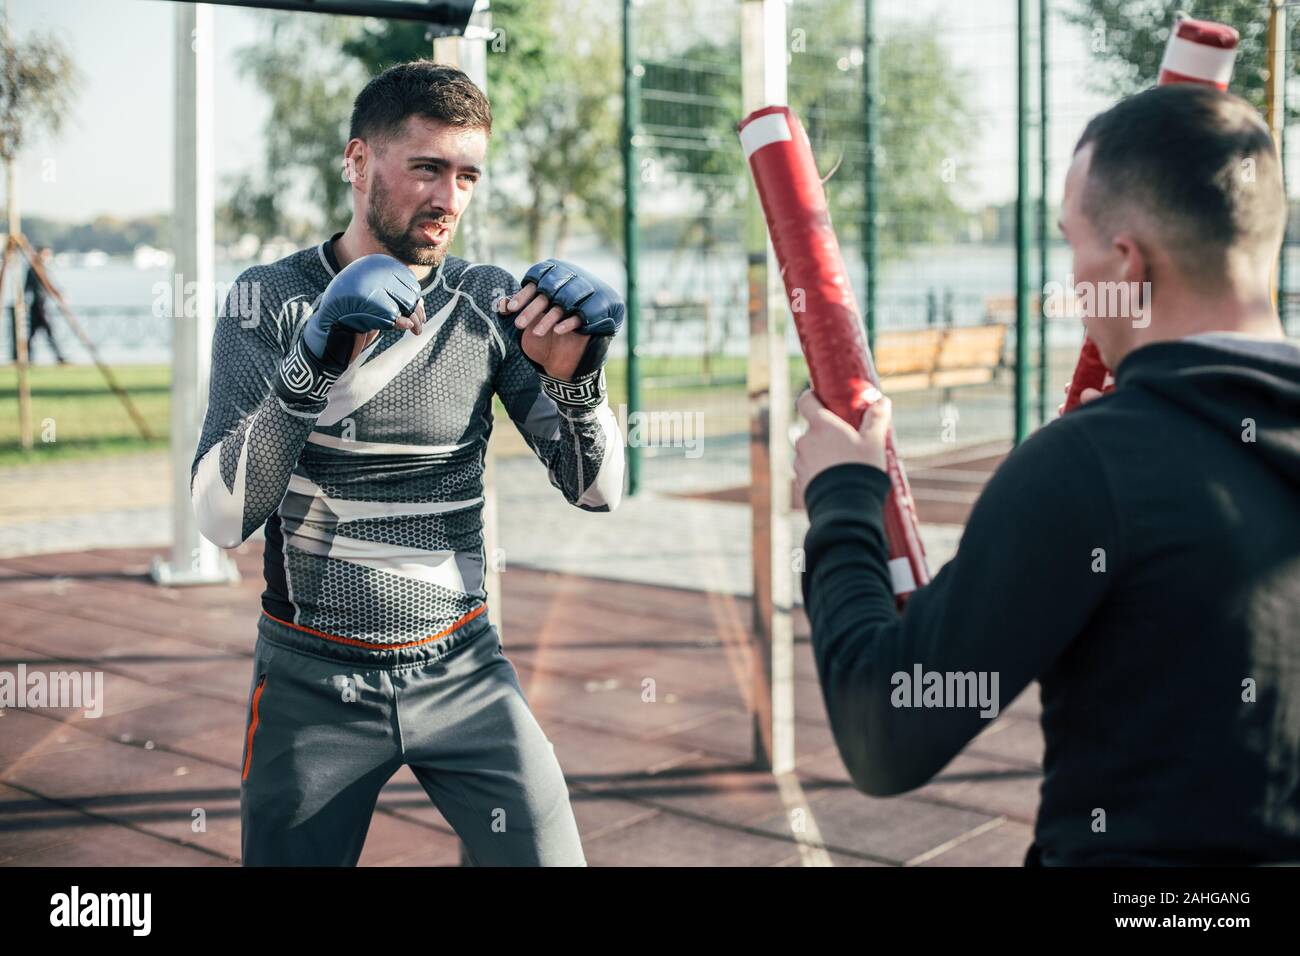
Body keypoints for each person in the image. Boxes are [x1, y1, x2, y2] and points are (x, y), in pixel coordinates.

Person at [793, 84, 1300, 865]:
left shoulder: (1089, 466)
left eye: (1073, 246)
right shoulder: (1111, 458)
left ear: (1126, 264)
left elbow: (886, 729)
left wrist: (840, 499)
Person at [191, 61, 625, 866]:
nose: (449, 199)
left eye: (467, 176)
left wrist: (581, 383)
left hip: (464, 668)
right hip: (311, 680)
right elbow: (218, 520)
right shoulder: (271, 298)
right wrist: (313, 360)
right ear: (358, 162)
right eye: (427, 168)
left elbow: (598, 491)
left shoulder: (488, 302)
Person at [11, 246, 67, 364]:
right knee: (45, 333)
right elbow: (31, 288)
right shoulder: (34, 270)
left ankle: (26, 356)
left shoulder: (41, 269)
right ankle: (56, 356)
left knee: (37, 334)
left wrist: (59, 294)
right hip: (38, 307)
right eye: (46, 254)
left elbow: (49, 285)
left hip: (41, 305)